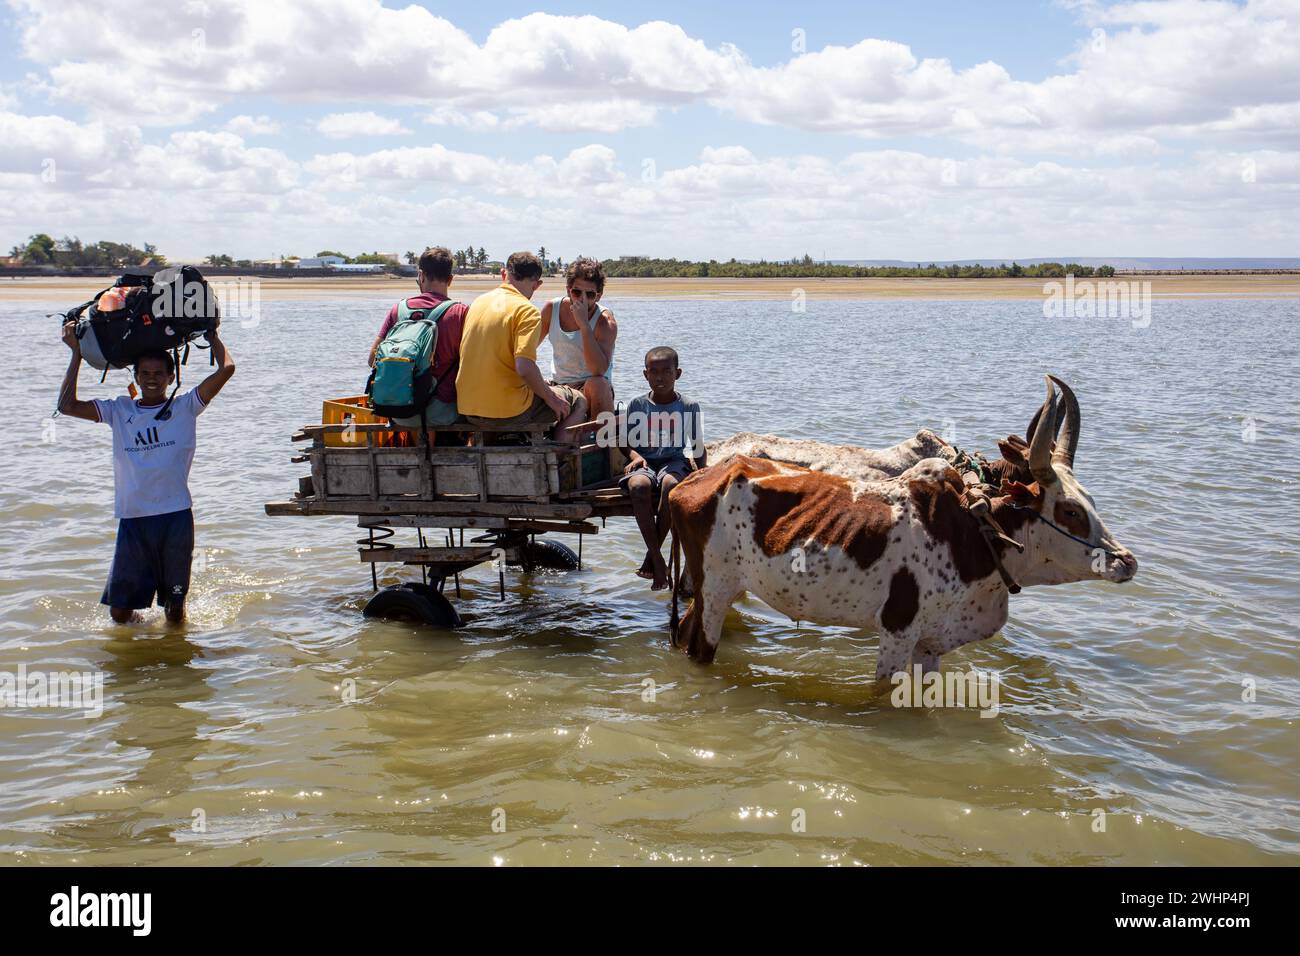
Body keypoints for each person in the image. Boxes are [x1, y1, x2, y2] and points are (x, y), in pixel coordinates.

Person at [57, 320, 236, 624]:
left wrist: (213, 337)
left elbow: (226, 369)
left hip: (175, 517)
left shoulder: (186, 406)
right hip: (134, 520)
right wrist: (76, 353)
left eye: (158, 374)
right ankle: (147, 636)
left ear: (171, 377)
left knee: (175, 610)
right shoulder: (118, 410)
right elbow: (66, 406)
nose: (151, 380)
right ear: (136, 378)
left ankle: (174, 659)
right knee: (119, 612)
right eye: (145, 374)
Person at [455, 251, 587, 440]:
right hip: (508, 411)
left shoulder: (478, 303)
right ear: (537, 284)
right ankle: (558, 461)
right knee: (578, 400)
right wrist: (551, 398)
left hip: (468, 408)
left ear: (503, 274)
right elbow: (524, 367)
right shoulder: (527, 310)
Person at [619, 346, 706, 590]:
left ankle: (651, 559)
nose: (660, 377)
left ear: (677, 373)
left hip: (674, 461)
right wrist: (635, 456)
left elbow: (697, 446)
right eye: (653, 371)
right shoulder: (637, 404)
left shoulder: (688, 406)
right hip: (644, 461)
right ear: (645, 374)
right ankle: (658, 559)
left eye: (666, 371)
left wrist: (702, 473)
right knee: (638, 486)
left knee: (670, 485)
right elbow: (624, 442)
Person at [368, 245, 467, 430]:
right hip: (444, 414)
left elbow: (372, 359)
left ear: (421, 275)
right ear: (450, 279)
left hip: (401, 413)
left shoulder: (399, 310)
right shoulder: (460, 312)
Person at [538, 257, 617, 420]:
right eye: (577, 292)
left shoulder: (605, 322)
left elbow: (598, 370)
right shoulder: (551, 309)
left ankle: (601, 442)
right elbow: (527, 348)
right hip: (560, 386)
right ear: (568, 290)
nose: (582, 299)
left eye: (589, 294)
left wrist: (585, 327)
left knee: (598, 384)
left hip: (592, 388)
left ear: (599, 296)